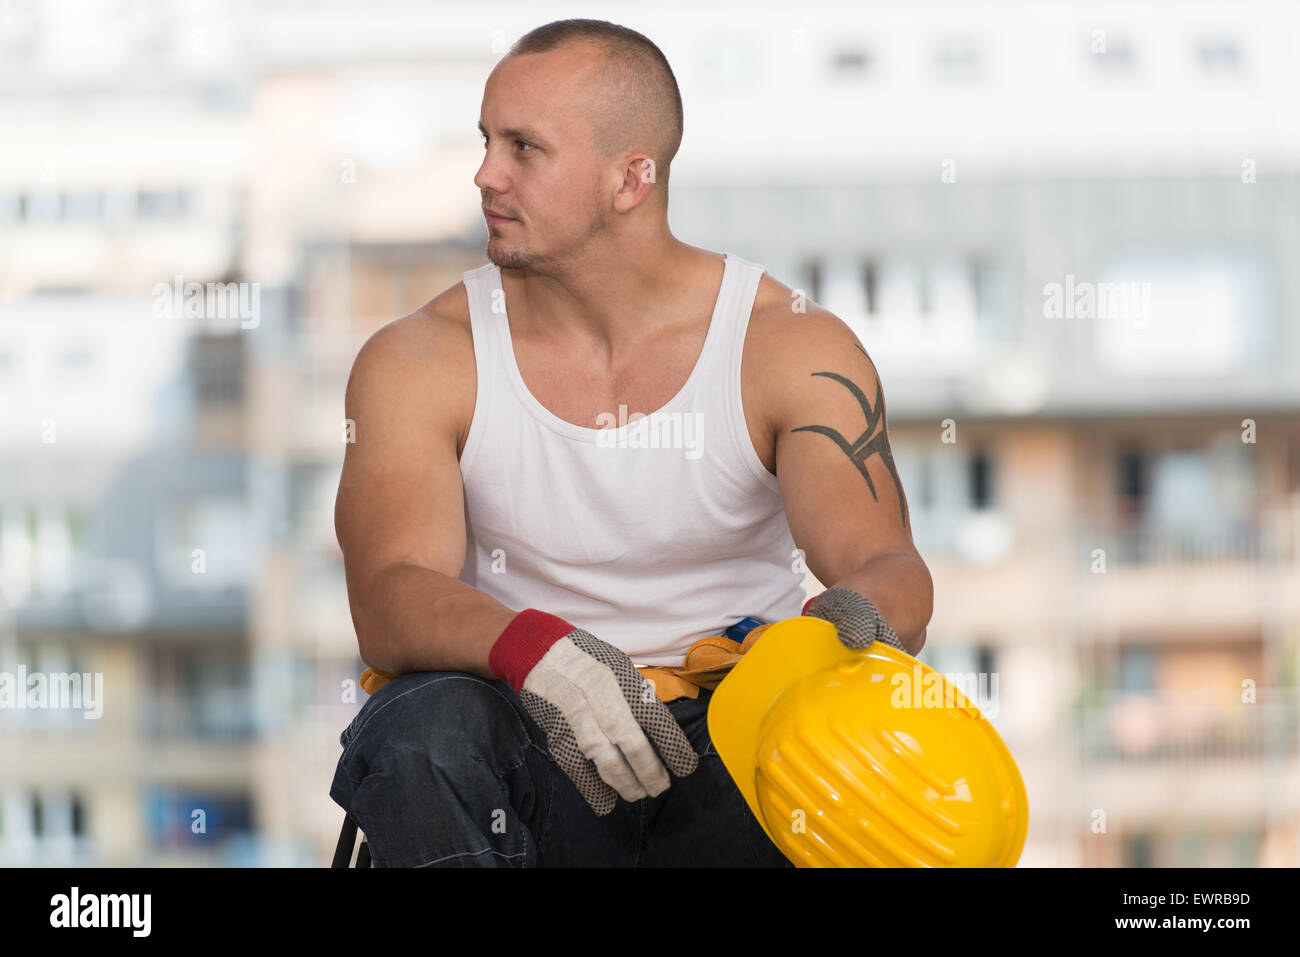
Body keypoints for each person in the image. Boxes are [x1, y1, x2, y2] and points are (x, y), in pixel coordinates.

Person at [329, 17, 933, 867]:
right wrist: (535, 646)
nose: (485, 174)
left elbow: (889, 564)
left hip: (733, 733)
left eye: (524, 148)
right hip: (525, 728)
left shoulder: (788, 345)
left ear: (630, 179)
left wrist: (840, 630)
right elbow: (389, 598)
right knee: (423, 732)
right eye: (485, 140)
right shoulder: (420, 358)